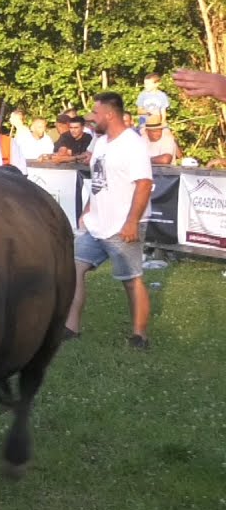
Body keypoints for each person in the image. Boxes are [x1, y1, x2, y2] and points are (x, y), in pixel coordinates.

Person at [66, 93, 153, 349]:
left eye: (94, 112)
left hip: (121, 225)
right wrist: (87, 209)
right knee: (75, 269)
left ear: (109, 114)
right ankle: (70, 328)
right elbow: (98, 181)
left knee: (131, 280)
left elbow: (144, 184)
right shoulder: (101, 142)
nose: (90, 118)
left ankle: (139, 335)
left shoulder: (132, 144)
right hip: (97, 223)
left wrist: (132, 222)